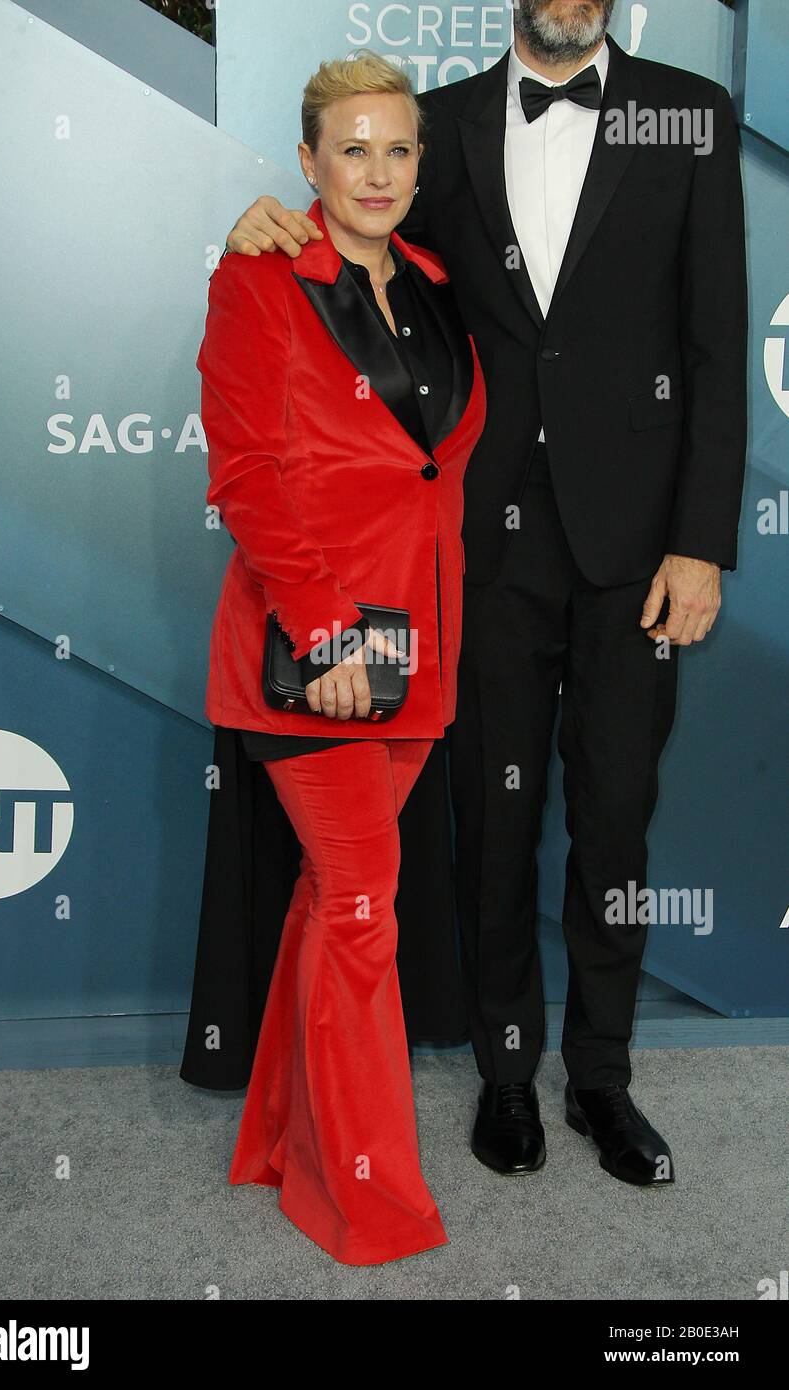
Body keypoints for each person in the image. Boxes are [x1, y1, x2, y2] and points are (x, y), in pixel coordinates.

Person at [223, 0, 748, 1186]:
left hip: (636, 555)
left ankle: (600, 1075)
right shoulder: (438, 123)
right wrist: (263, 221)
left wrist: (698, 542)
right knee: (491, 819)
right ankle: (506, 1068)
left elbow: (717, 340)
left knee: (613, 816)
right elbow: (358, 248)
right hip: (475, 544)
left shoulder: (689, 115)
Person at [195, 51, 486, 1263]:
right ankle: (358, 1192)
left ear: (419, 168)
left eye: (396, 149)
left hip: (423, 657)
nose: (375, 171)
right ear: (308, 161)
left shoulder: (430, 282)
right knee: (366, 908)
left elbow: (429, 472)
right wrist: (322, 633)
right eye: (350, 148)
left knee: (332, 899)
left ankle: (275, 1141)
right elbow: (248, 479)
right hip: (315, 660)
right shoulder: (259, 279)